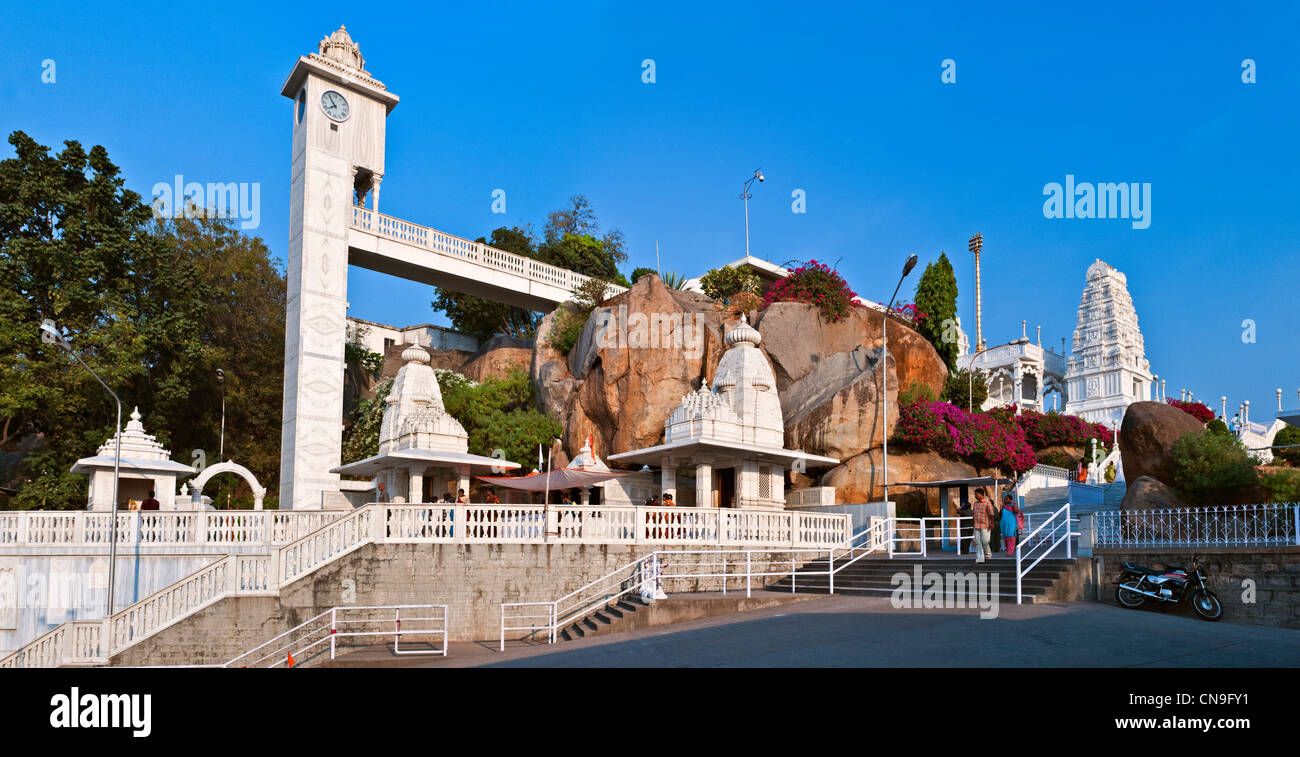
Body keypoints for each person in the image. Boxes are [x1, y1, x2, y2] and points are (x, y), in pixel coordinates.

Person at [971, 487, 997, 564]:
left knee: (985, 541)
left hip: (986, 524)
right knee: (978, 542)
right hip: (977, 525)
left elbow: (991, 514)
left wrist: (992, 523)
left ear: (981, 494)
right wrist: (973, 523)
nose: (975, 496)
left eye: (976, 494)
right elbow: (974, 514)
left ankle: (988, 554)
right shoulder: (975, 503)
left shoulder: (987, 503)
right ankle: (980, 559)